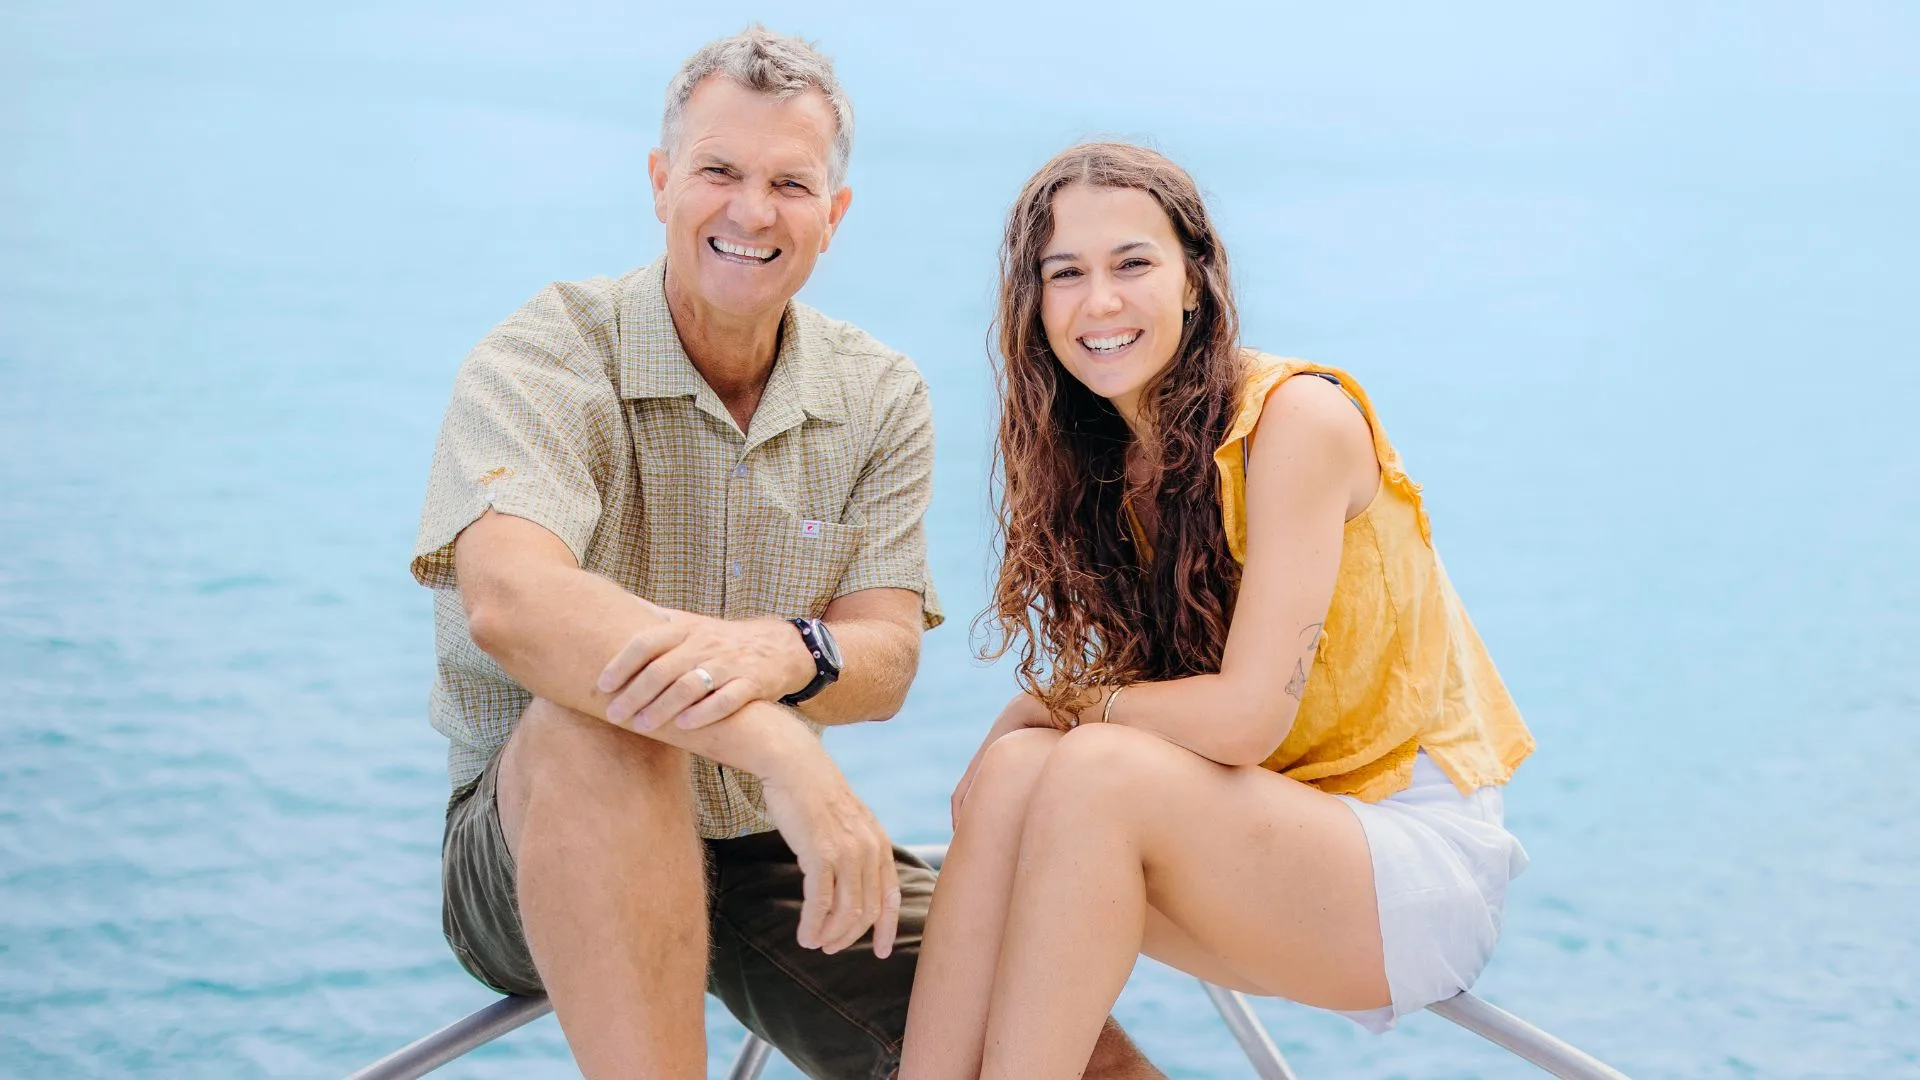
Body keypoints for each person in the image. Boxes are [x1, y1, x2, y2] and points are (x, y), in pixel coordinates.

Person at [898, 142, 1537, 1079]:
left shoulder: (1297, 420)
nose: (1099, 301)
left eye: (1132, 263)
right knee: (1015, 777)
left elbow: (1245, 719)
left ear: (1195, 278)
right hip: (1263, 844)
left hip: (1404, 868)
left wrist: (1057, 702)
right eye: (1064, 273)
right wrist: (1044, 724)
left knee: (1093, 763)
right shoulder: (1110, 460)